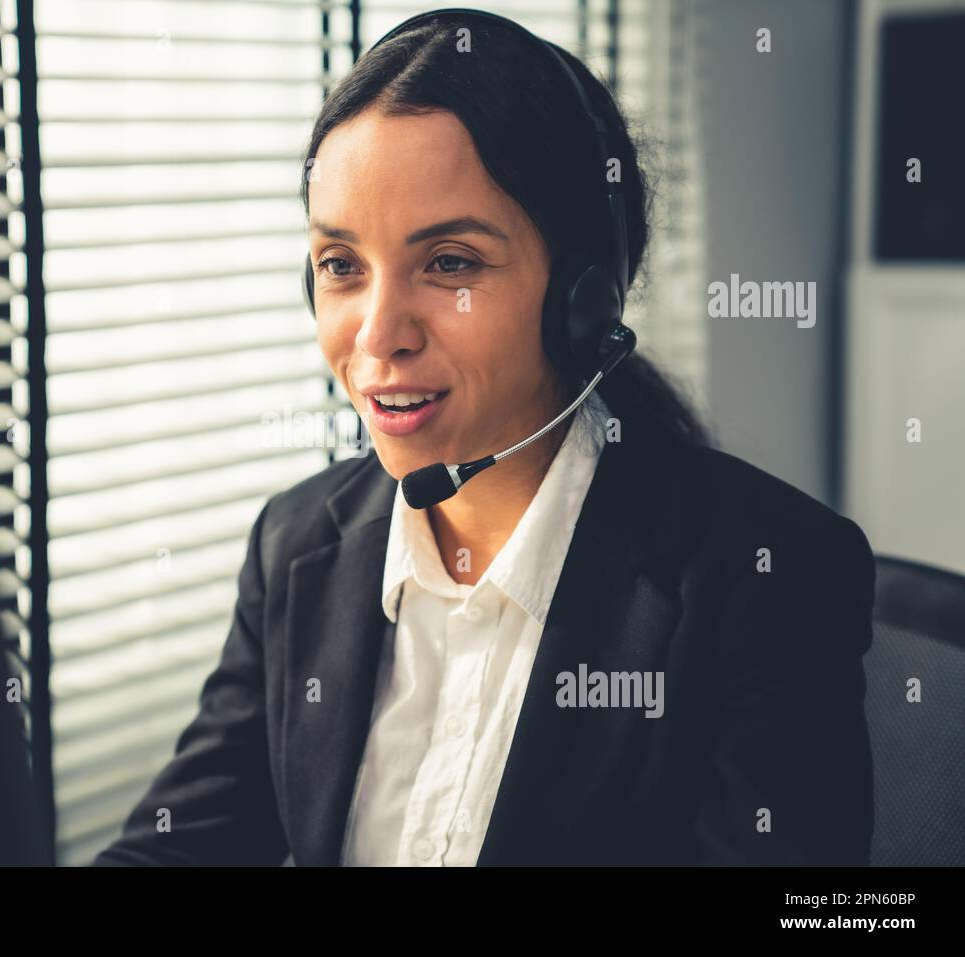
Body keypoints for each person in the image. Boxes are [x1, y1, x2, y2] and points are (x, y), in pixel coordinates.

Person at [93, 9, 874, 866]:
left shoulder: (764, 580)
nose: (378, 335)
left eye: (450, 263)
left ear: (583, 302)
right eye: (342, 265)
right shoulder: (296, 546)